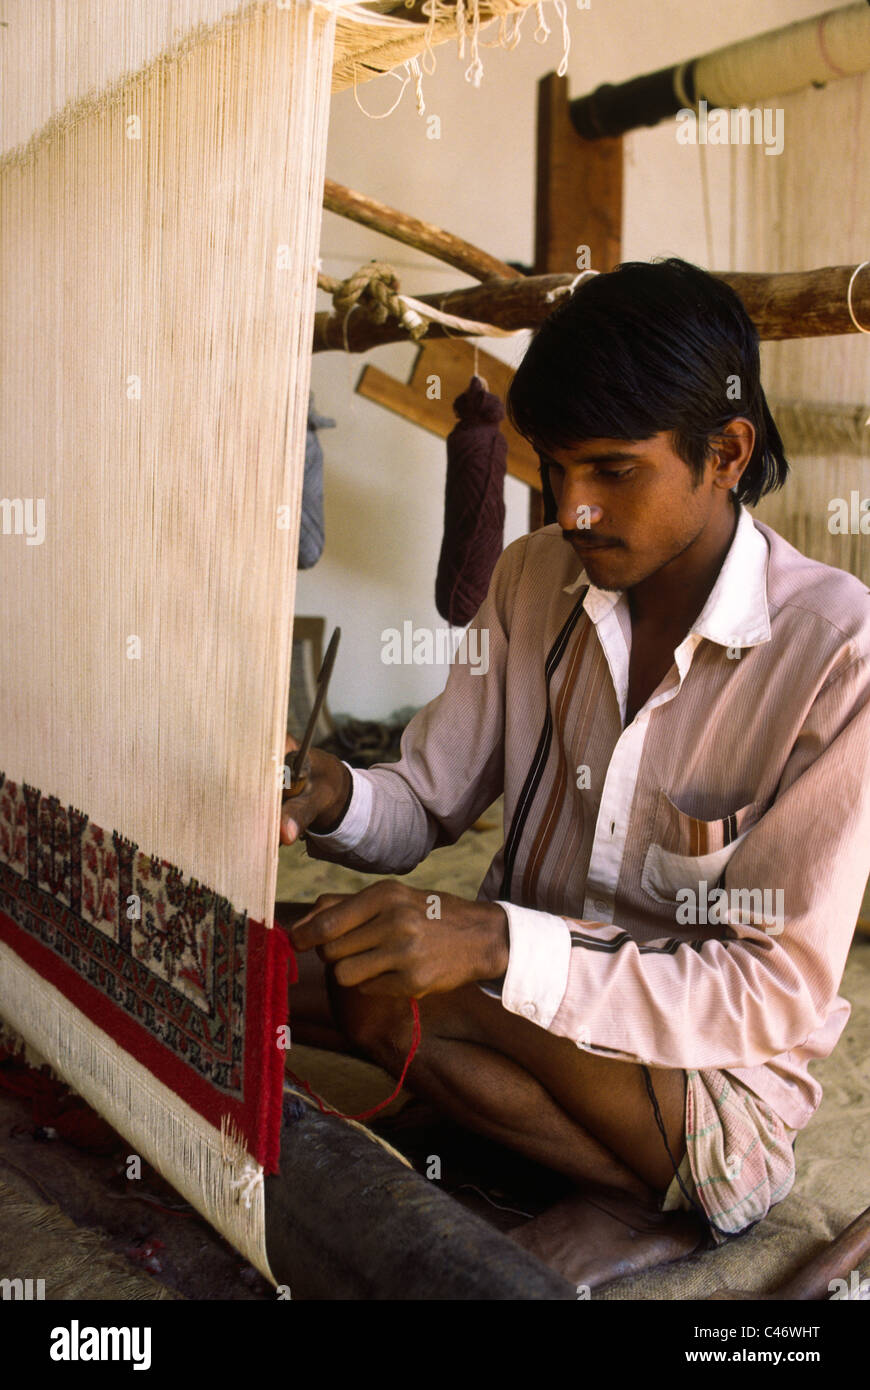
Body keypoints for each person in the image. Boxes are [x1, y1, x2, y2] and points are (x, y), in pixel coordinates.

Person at [278, 258, 870, 1286]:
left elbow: (769, 992)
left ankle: (674, 1190)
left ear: (726, 451)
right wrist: (333, 789)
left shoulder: (836, 656)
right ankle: (633, 1199)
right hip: (508, 1010)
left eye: (611, 470)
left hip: (704, 1089)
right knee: (318, 955)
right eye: (555, 471)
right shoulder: (532, 577)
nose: (575, 508)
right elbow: (425, 798)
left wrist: (500, 940)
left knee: (366, 977)